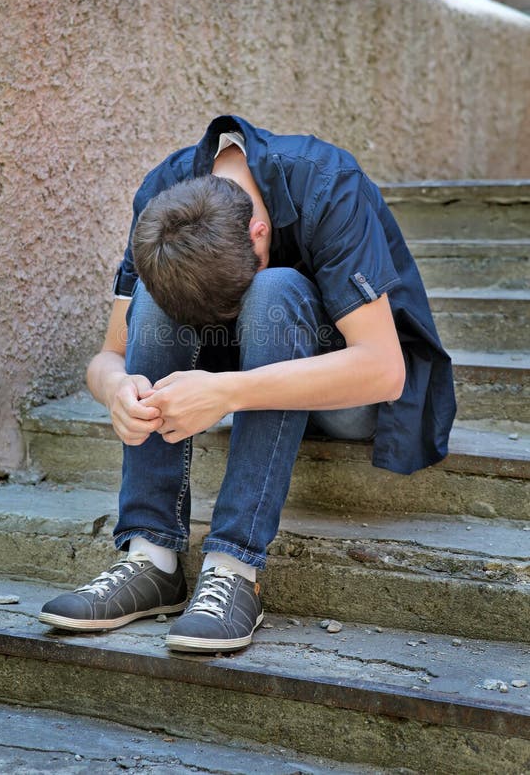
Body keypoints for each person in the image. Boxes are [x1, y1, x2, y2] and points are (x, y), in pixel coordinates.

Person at [40, 114, 456, 652]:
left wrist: (230, 391)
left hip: (354, 398)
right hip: (239, 384)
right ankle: (151, 558)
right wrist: (116, 388)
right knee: (151, 298)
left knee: (274, 290)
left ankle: (234, 567)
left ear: (261, 232)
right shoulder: (162, 200)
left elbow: (383, 369)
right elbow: (107, 356)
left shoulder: (327, 182)